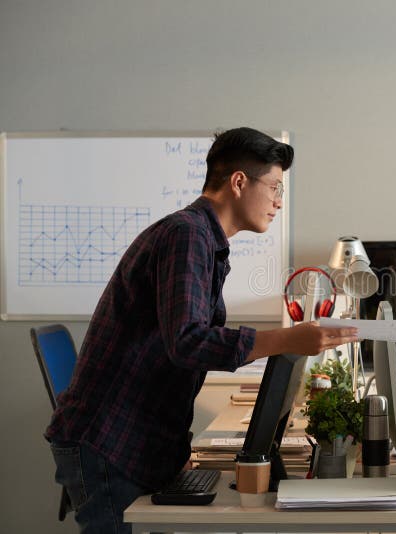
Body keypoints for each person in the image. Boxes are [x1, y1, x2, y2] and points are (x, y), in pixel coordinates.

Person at [45, 127, 358, 533]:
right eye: (275, 187)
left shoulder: (202, 240)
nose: (279, 202)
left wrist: (173, 453)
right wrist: (288, 339)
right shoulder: (186, 234)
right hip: (108, 441)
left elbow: (175, 350)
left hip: (132, 441)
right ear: (239, 182)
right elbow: (188, 342)